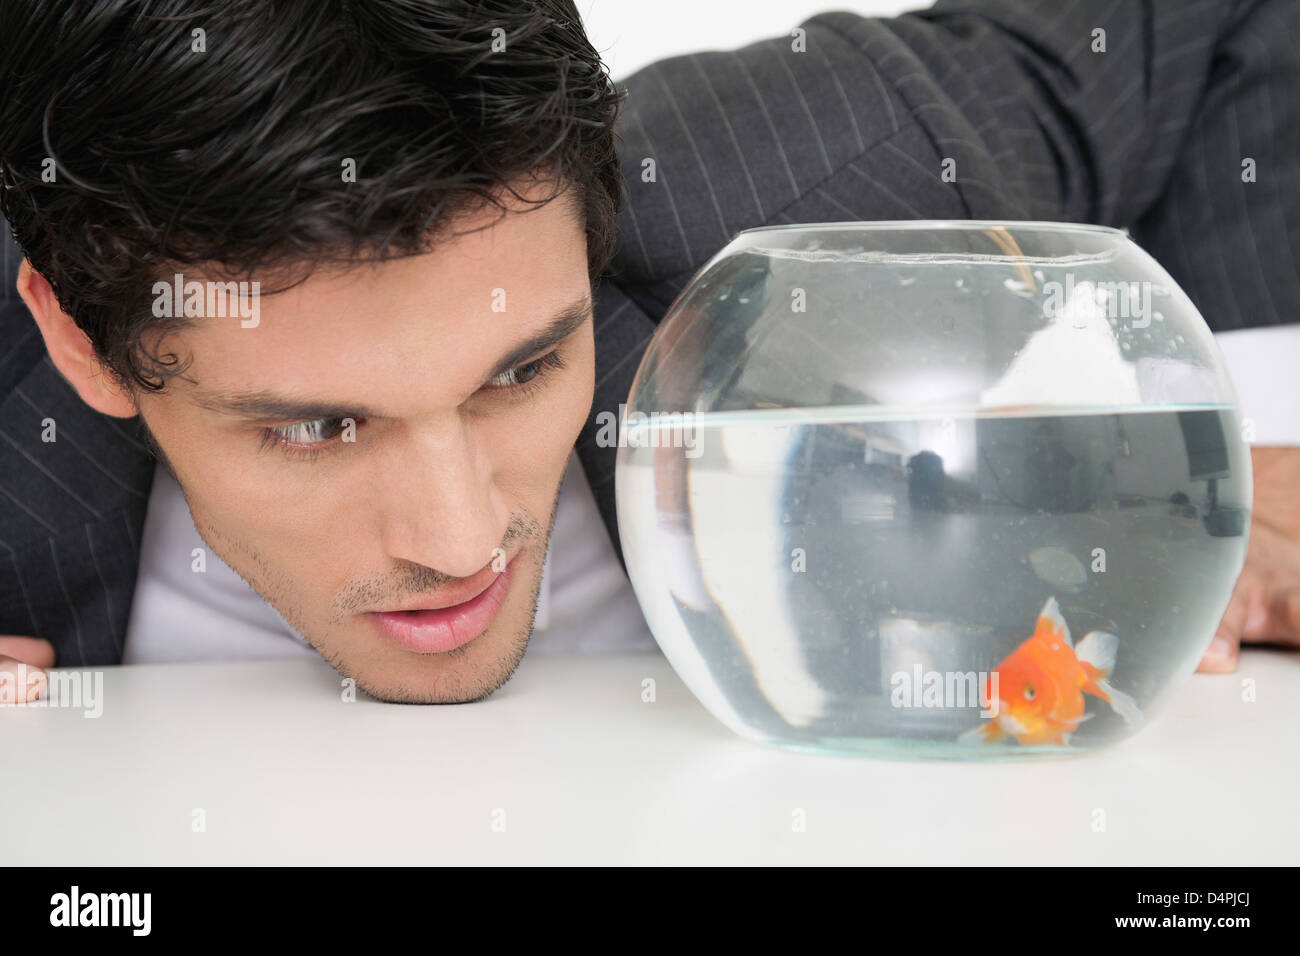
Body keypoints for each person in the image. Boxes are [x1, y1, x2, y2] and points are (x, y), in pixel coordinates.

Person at [0, 0, 1295, 703]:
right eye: (314, 425)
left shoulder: (822, 179)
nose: (459, 545)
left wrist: (1232, 471)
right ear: (74, 334)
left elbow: (1225, 25)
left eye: (522, 369)